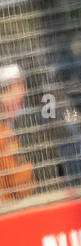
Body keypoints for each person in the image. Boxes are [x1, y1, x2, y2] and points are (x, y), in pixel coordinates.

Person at [0, 64, 35, 202]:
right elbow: (18, 185)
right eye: (19, 85)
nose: (24, 92)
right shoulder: (4, 134)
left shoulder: (16, 125)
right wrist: (28, 168)